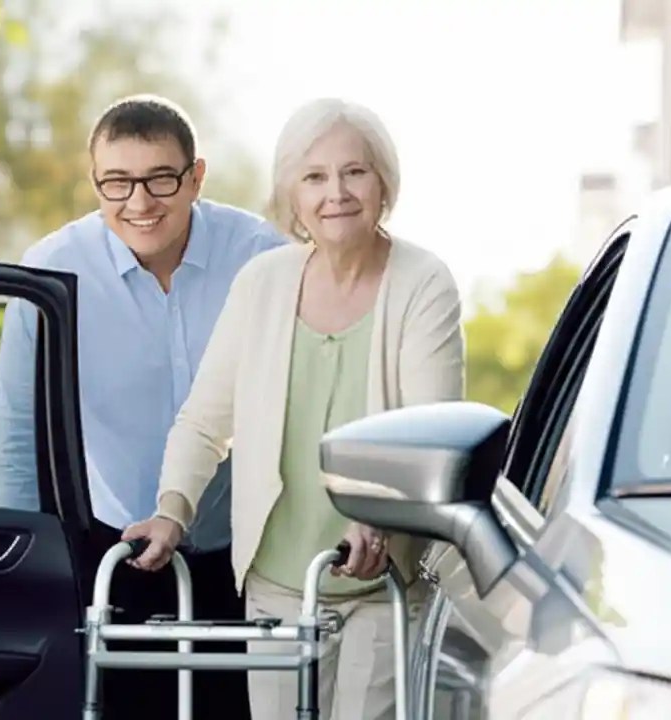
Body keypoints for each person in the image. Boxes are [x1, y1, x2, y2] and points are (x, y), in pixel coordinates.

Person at [122, 97, 466, 720]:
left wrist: (380, 519)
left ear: (382, 182)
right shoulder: (263, 282)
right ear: (293, 195)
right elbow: (205, 420)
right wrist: (172, 511)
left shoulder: (423, 282)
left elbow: (430, 435)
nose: (336, 192)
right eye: (314, 177)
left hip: (380, 580)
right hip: (277, 581)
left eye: (354, 172)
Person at [0, 94, 286, 719]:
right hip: (109, 548)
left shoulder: (262, 258)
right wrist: (31, 572)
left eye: (160, 179)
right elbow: (18, 435)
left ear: (196, 177)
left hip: (242, 551)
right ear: (94, 181)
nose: (139, 203)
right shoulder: (51, 272)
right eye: (116, 183)